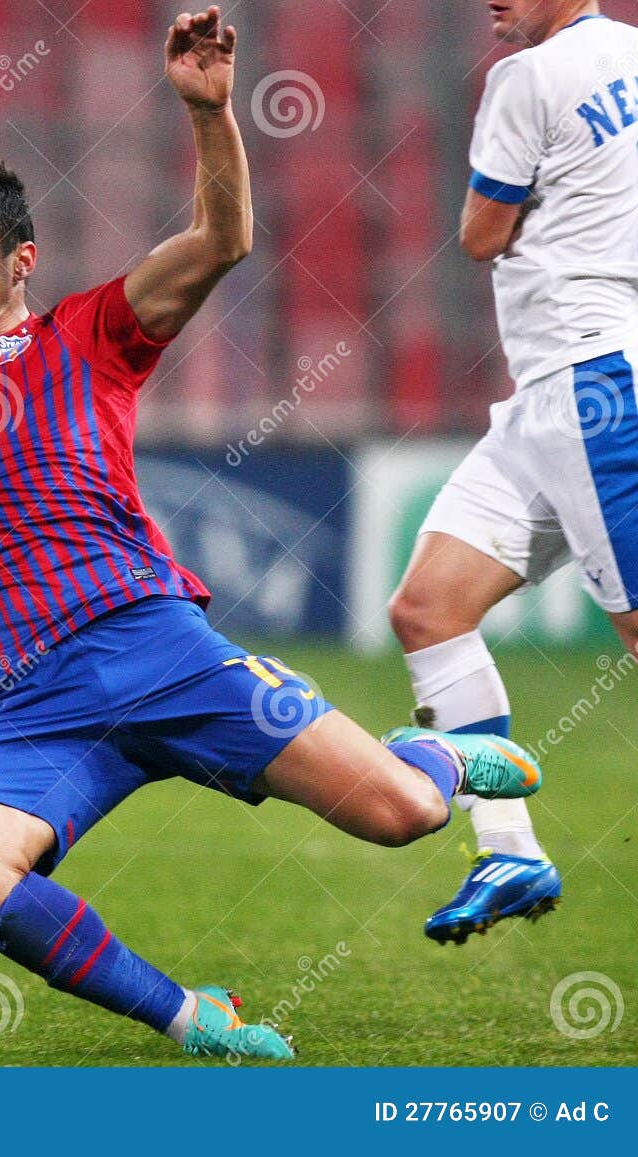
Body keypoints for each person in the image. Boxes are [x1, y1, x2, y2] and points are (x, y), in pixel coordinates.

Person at [0, 7, 542, 1059]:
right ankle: (188, 1015)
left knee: (400, 814)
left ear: (18, 258)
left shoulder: (91, 334)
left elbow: (222, 241)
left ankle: (433, 752)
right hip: (29, 709)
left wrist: (206, 111)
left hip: (154, 647)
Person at [388, 0, 638, 943]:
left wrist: (531, 202)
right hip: (557, 395)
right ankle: (510, 850)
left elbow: (481, 233)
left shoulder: (524, 77)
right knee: (428, 609)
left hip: (589, 385)